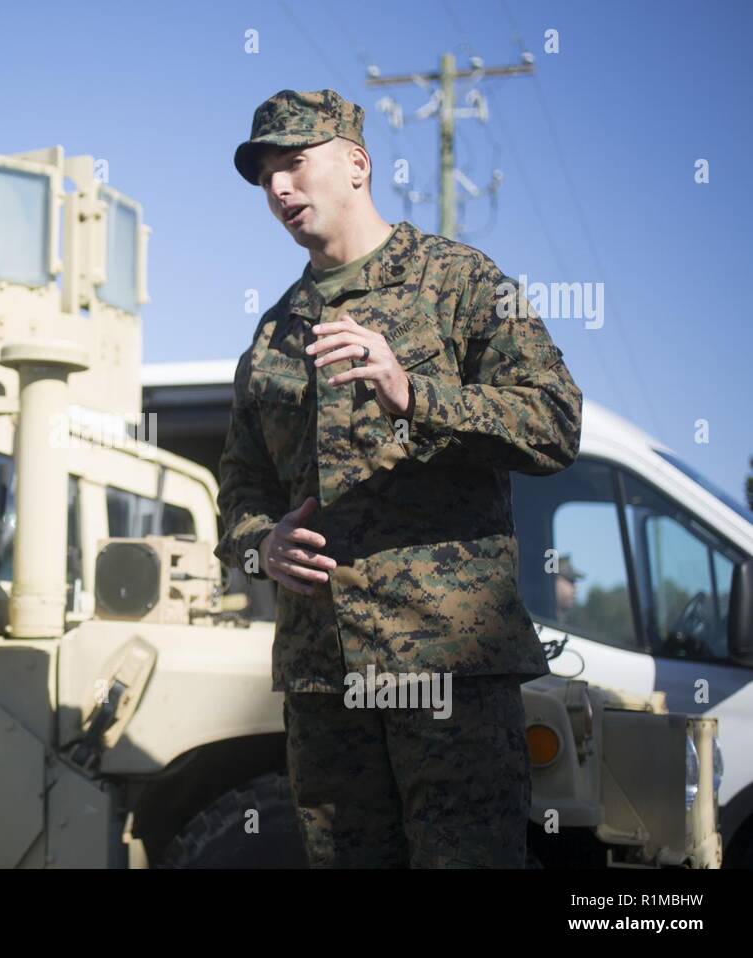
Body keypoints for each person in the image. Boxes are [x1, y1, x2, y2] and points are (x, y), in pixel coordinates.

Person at [215, 89, 583, 867]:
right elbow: (241, 493)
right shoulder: (273, 334)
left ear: (356, 163)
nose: (278, 188)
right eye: (264, 177)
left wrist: (416, 394)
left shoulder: (458, 280)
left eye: (293, 163)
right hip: (325, 681)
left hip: (445, 668)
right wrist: (261, 546)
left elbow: (555, 422)